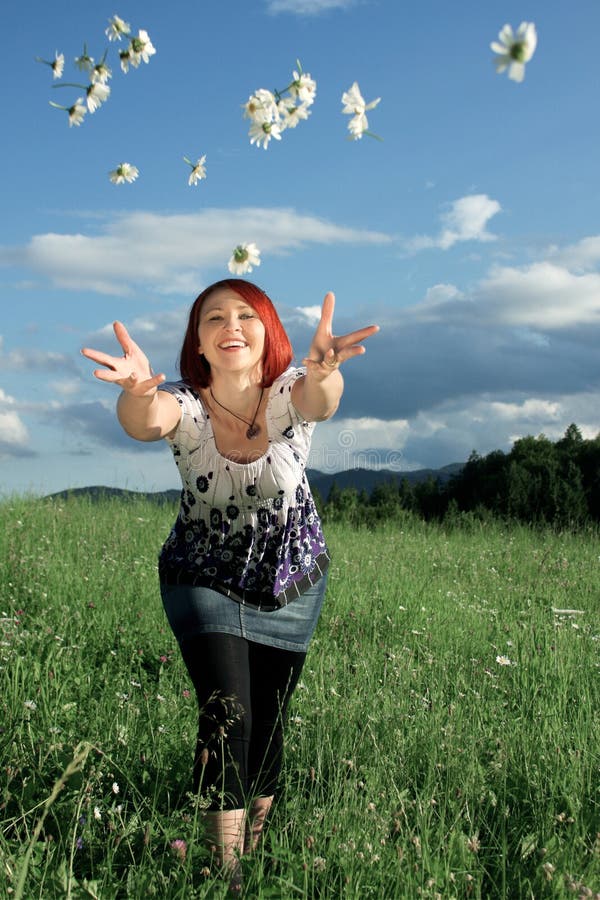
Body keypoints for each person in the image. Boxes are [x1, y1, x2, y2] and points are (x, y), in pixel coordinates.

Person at [82, 278, 378, 889]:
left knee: (269, 719)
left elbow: (323, 398)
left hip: (289, 578)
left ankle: (258, 847)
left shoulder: (288, 394)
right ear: (198, 341)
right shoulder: (186, 404)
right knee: (227, 713)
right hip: (202, 573)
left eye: (246, 314)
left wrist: (325, 370)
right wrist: (139, 391)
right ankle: (226, 871)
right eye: (214, 317)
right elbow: (146, 421)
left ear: (267, 330)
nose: (231, 325)